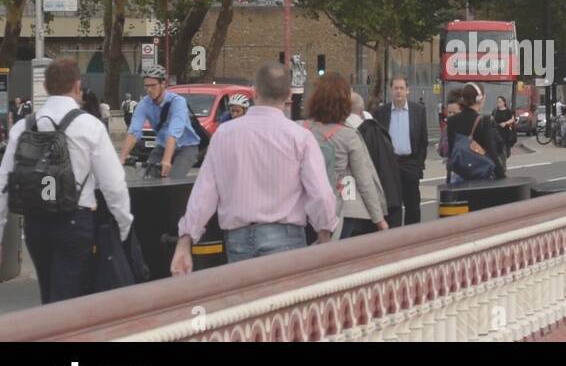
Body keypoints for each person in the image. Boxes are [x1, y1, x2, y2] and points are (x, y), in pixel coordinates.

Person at [171, 63, 337, 273]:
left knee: (247, 305)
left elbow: (204, 193)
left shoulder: (224, 134)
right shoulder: (300, 137)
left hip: (238, 239)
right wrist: (324, 234)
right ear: (288, 96)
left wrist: (185, 241)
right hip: (286, 237)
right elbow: (321, 195)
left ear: (254, 92)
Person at [0, 59, 133, 304]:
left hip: (35, 223)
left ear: (46, 87)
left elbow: (4, 184)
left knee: (49, 294)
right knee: (69, 297)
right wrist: (124, 224)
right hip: (75, 221)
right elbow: (113, 184)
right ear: (77, 85)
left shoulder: (22, 127)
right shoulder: (89, 126)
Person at [303, 74, 388, 239]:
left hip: (305, 209)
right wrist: (379, 219)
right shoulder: (348, 135)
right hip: (338, 211)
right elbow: (364, 180)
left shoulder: (302, 129)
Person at [119, 65, 202, 178]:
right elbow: (134, 132)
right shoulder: (144, 104)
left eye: (153, 85)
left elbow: (172, 133)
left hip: (186, 147)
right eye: (146, 86)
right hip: (163, 146)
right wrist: (122, 158)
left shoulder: (178, 102)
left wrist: (166, 160)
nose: (149, 89)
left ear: (163, 84)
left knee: (172, 180)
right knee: (148, 178)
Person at [373, 76, 428, 228]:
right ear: (391, 90)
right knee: (392, 205)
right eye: (396, 88)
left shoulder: (418, 111)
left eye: (401, 88)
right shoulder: (380, 112)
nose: (398, 91)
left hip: (410, 163)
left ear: (407, 91)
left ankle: (413, 238)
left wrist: (419, 164)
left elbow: (423, 140)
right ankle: (394, 237)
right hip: (390, 165)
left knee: (413, 206)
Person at [347, 92, 403, 225]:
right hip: (388, 200)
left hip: (365, 206)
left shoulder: (353, 134)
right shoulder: (378, 130)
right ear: (361, 110)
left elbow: (363, 177)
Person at [446, 83, 506, 182]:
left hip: (459, 177)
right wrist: (502, 175)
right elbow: (491, 152)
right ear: (480, 99)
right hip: (479, 176)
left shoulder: (451, 121)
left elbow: (451, 151)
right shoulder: (483, 121)